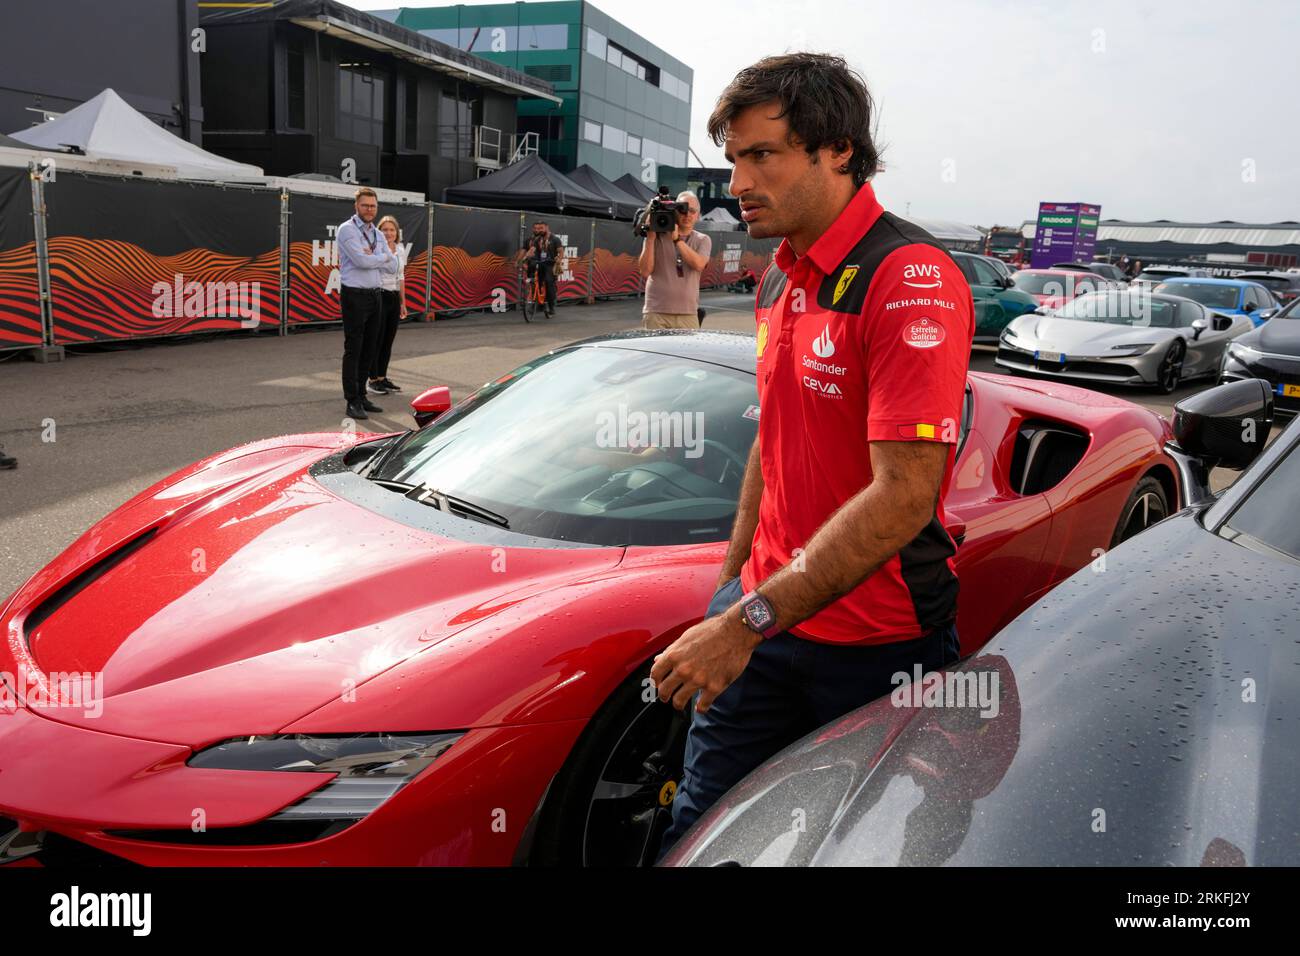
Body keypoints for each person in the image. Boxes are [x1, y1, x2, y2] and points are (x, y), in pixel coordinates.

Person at [653, 52, 975, 861]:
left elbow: (904, 497)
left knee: (854, 845)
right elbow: (775, 434)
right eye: (732, 159)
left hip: (877, 646)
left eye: (763, 154)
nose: (739, 181)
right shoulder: (778, 278)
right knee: (702, 828)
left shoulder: (909, 279)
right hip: (761, 621)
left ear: (837, 150)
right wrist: (732, 587)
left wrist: (745, 619)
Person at [337, 187, 399, 420]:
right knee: (354, 348)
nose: (369, 209)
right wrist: (383, 257)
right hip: (354, 295)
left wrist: (379, 258)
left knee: (369, 348)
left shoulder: (377, 233)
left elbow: (394, 267)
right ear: (356, 206)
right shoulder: (347, 230)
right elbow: (361, 261)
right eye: (365, 205)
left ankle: (362, 395)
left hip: (376, 294)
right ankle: (351, 400)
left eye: (373, 206)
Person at [639, 191, 711, 329]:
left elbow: (699, 264)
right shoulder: (656, 234)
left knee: (687, 351)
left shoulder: (703, 240)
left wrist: (677, 240)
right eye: (682, 209)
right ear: (674, 211)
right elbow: (645, 271)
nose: (687, 214)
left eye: (692, 210)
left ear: (698, 215)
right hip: (656, 311)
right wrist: (650, 238)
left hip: (688, 313)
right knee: (655, 351)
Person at [367, 215, 407, 396]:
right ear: (379, 232)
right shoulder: (375, 248)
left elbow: (401, 277)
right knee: (376, 340)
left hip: (393, 298)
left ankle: (382, 377)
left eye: (392, 230)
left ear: (396, 232)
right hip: (378, 296)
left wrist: (403, 303)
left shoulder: (400, 249)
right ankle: (372, 380)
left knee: (388, 341)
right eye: (385, 230)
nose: (389, 233)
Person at [517, 221, 564, 318]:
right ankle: (535, 303)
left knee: (548, 282)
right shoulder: (536, 239)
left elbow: (561, 252)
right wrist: (524, 259)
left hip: (550, 264)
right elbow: (531, 250)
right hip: (539, 263)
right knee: (534, 280)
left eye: (541, 228)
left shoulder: (555, 239)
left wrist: (559, 259)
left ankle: (551, 306)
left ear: (547, 227)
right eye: (537, 229)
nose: (539, 230)